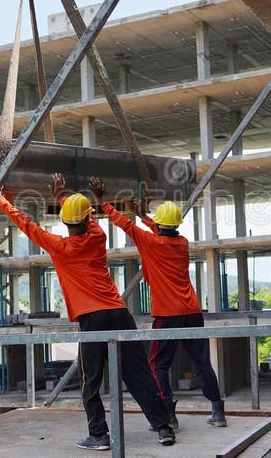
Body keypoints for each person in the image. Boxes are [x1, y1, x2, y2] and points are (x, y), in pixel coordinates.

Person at [0, 169, 176, 449]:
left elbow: (25, 224)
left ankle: (99, 435)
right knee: (137, 374)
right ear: (88, 219)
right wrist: (66, 196)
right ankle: (164, 428)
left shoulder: (59, 246)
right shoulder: (98, 238)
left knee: (91, 380)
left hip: (93, 319)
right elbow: (88, 218)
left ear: (63, 221)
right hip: (119, 313)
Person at [89, 176, 226, 429]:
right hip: (193, 311)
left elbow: (123, 224)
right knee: (203, 362)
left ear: (160, 224)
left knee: (157, 365)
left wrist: (101, 201)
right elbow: (159, 230)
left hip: (168, 313)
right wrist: (144, 217)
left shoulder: (151, 242)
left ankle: (168, 415)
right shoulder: (182, 243)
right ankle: (218, 412)